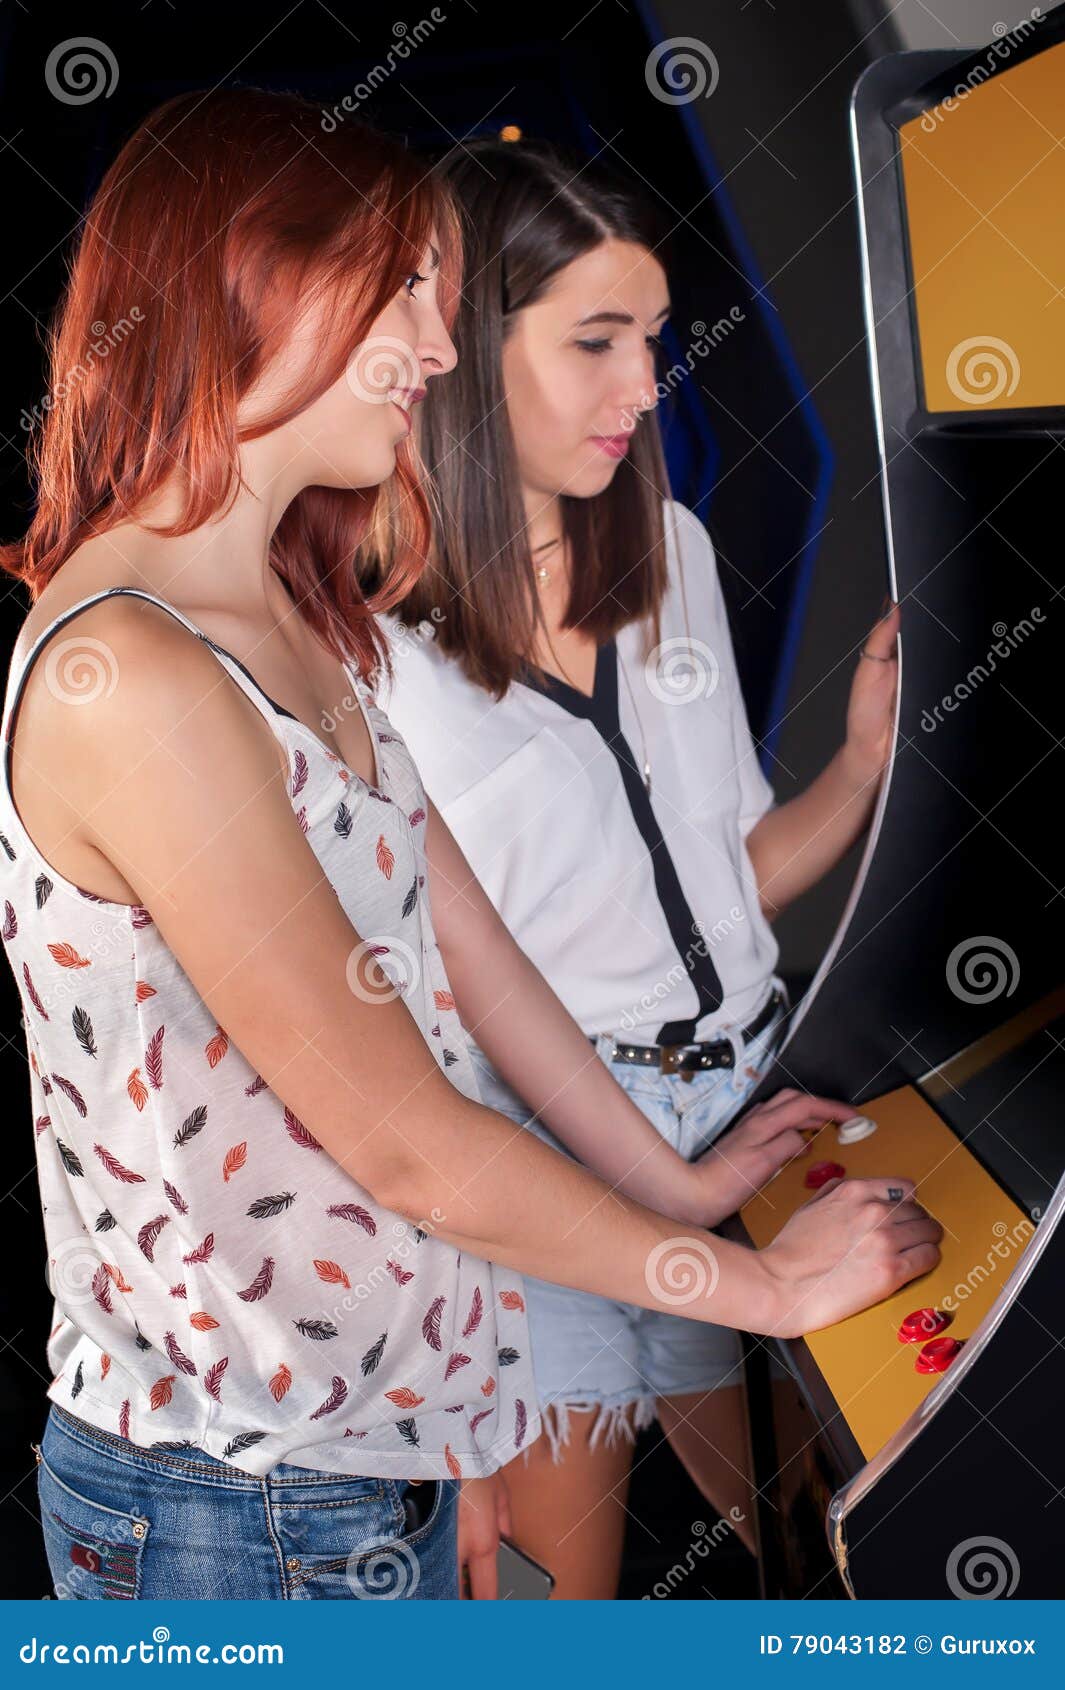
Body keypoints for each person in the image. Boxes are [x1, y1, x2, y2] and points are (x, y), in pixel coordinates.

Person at [0, 93, 939, 1603]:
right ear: (258, 283)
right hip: (234, 1491)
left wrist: (682, 1194)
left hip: (371, 1447)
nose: (437, 354)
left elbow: (486, 980)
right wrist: (759, 1282)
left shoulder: (309, 619)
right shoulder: (138, 675)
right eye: (404, 299)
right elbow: (403, 1136)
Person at [375, 138, 903, 1598]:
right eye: (593, 340)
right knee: (551, 1613)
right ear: (461, 355)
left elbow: (735, 877)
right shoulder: (376, 662)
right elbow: (415, 1029)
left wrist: (859, 769)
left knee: (833, 1551)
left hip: (754, 1100)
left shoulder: (665, 546)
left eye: (653, 341)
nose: (640, 386)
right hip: (550, 1159)